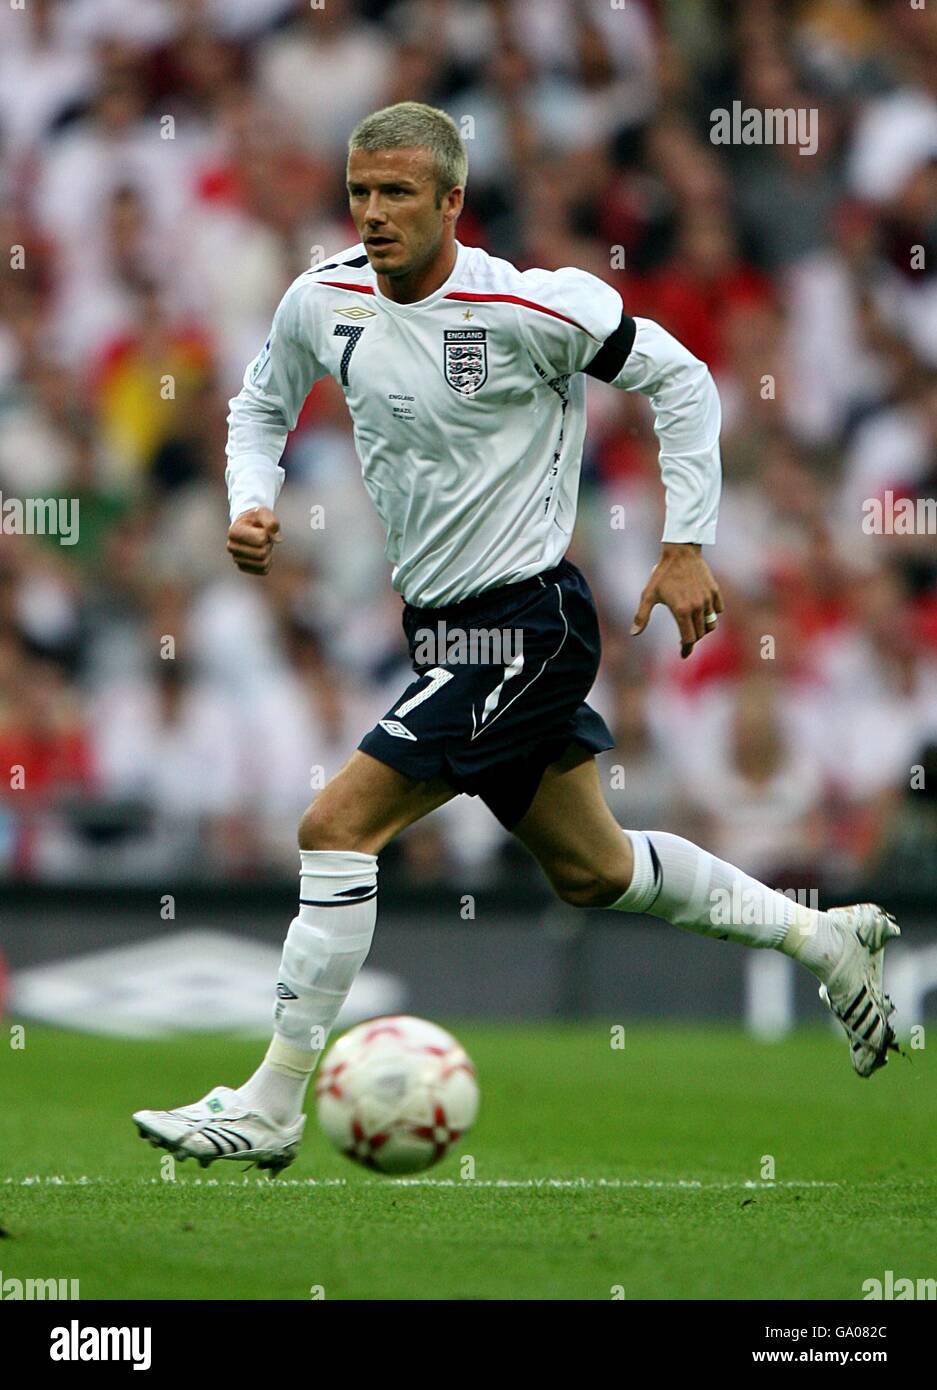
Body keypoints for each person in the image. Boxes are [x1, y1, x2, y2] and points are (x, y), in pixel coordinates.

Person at [133, 103, 898, 1175]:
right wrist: (250, 499)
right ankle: (824, 937)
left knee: (334, 825)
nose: (373, 213)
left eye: (398, 192)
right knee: (592, 868)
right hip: (440, 628)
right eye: (359, 191)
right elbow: (258, 406)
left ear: (453, 200)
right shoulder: (323, 298)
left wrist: (685, 544)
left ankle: (271, 1100)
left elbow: (679, 378)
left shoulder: (531, 305)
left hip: (526, 622)